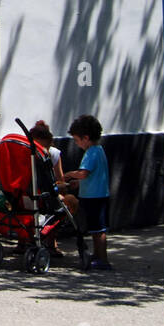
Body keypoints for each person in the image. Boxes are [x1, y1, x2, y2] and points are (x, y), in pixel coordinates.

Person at [61, 113, 111, 270]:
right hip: (97, 194)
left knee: (98, 230)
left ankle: (102, 259)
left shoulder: (91, 153)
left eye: (77, 140)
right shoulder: (99, 150)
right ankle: (98, 255)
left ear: (86, 138)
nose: (76, 144)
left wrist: (69, 175)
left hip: (94, 197)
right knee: (97, 228)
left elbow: (84, 173)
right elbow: (92, 175)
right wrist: (78, 183)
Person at [28, 119, 77, 258]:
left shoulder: (26, 150)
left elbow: (59, 180)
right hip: (41, 195)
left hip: (30, 194)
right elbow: (60, 181)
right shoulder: (49, 153)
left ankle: (31, 240)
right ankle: (51, 240)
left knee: (62, 201)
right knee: (69, 202)